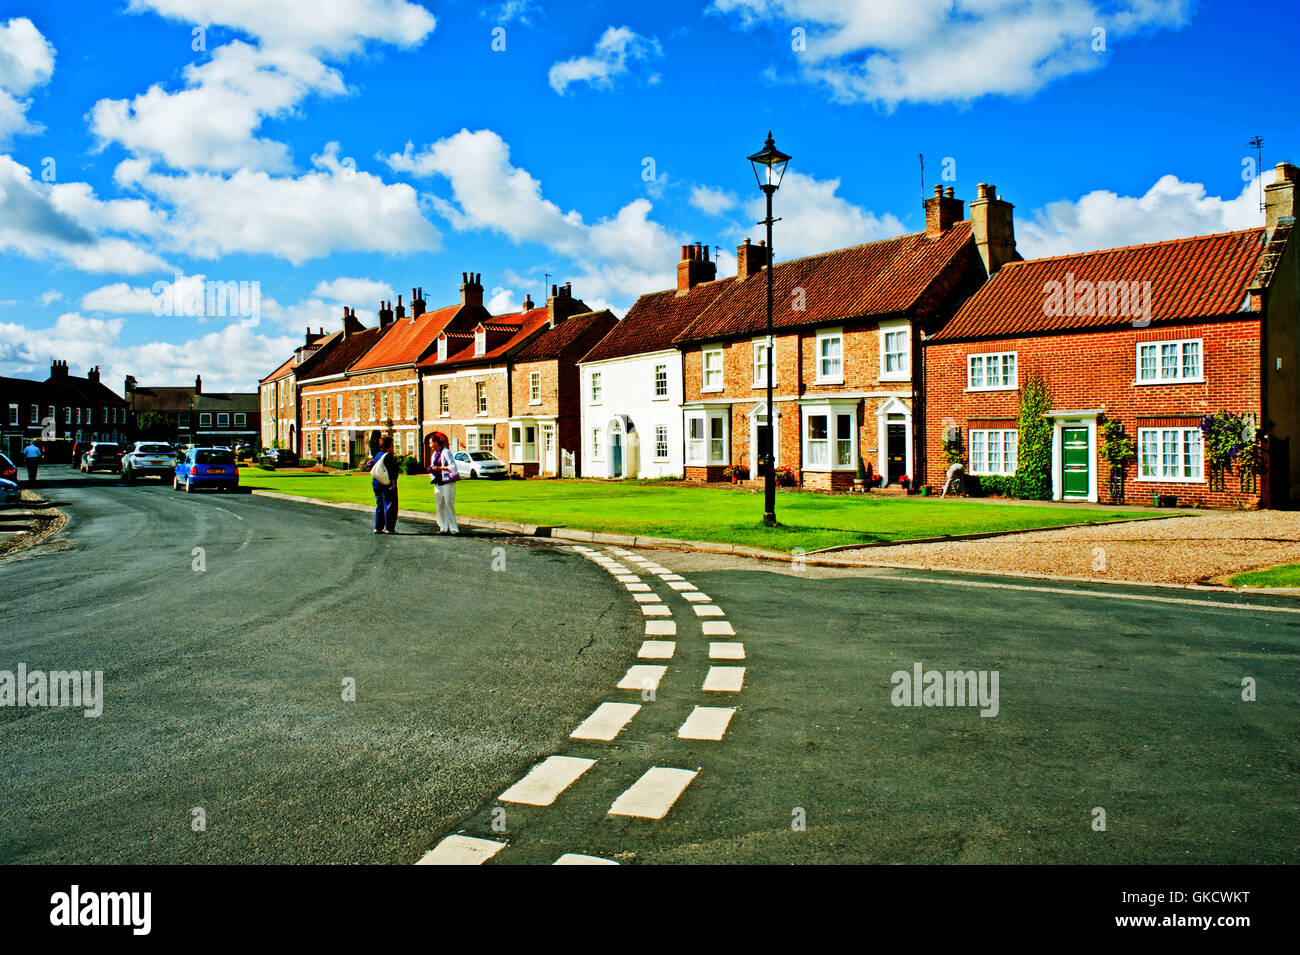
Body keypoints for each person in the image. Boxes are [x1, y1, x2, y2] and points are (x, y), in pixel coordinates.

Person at [428, 432, 459, 535]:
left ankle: (453, 528)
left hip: (447, 482)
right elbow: (433, 466)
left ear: (436, 443)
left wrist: (440, 468)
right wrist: (431, 469)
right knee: (439, 505)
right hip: (438, 483)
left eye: (430, 443)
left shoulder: (446, 452)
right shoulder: (434, 455)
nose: (429, 445)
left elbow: (453, 467)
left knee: (449, 505)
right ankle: (443, 527)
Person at [367, 435, 399, 534]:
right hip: (386, 483)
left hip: (376, 482)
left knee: (379, 504)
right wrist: (393, 483)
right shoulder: (388, 456)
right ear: (388, 446)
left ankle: (378, 527)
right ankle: (389, 528)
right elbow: (392, 472)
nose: (393, 447)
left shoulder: (378, 454)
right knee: (390, 504)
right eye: (392, 445)